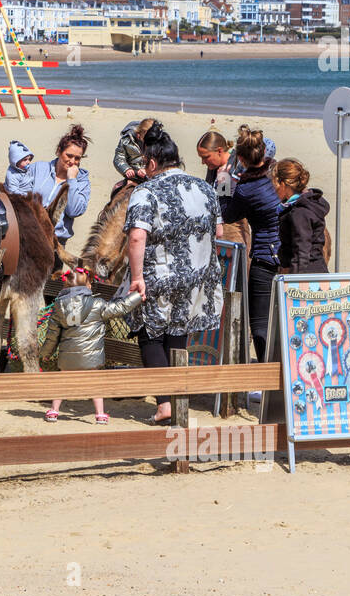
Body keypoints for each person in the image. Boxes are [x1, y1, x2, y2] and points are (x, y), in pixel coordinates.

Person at [116, 122, 224, 423]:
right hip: (196, 277)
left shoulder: (146, 192)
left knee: (149, 336)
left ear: (151, 163)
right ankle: (177, 400)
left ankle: (165, 403)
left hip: (157, 275)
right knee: (177, 337)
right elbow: (218, 231)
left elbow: (137, 236)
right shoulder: (205, 188)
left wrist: (136, 277)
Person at [41, 267, 143, 424]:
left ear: (65, 286)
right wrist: (137, 296)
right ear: (88, 286)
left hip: (68, 358)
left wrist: (45, 353)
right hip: (92, 357)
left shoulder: (59, 306)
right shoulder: (98, 304)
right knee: (95, 383)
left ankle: (54, 411)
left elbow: (52, 335)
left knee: (62, 382)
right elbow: (119, 308)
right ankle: (100, 414)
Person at [219, 127, 281, 362]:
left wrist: (224, 179)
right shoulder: (273, 177)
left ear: (241, 159)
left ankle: (268, 381)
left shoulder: (247, 190)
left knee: (260, 325)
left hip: (265, 257)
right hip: (284, 251)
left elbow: (226, 213)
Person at [26, 124, 92, 251]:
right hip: (29, 234)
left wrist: (72, 180)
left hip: (55, 243)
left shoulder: (82, 182)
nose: (72, 161)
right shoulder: (38, 169)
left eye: (77, 158)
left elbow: (74, 211)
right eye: (69, 155)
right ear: (59, 152)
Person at [273, 159, 330, 274]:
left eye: (274, 184)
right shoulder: (298, 207)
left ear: (283, 184)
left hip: (307, 278)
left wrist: (293, 284)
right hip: (310, 273)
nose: (273, 189)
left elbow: (301, 252)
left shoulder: (300, 212)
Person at [112, 117, 156, 184]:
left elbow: (162, 160)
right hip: (133, 175)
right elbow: (119, 158)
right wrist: (127, 169)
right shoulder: (126, 140)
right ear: (139, 135)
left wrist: (148, 170)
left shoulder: (158, 141)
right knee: (117, 188)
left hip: (152, 175)